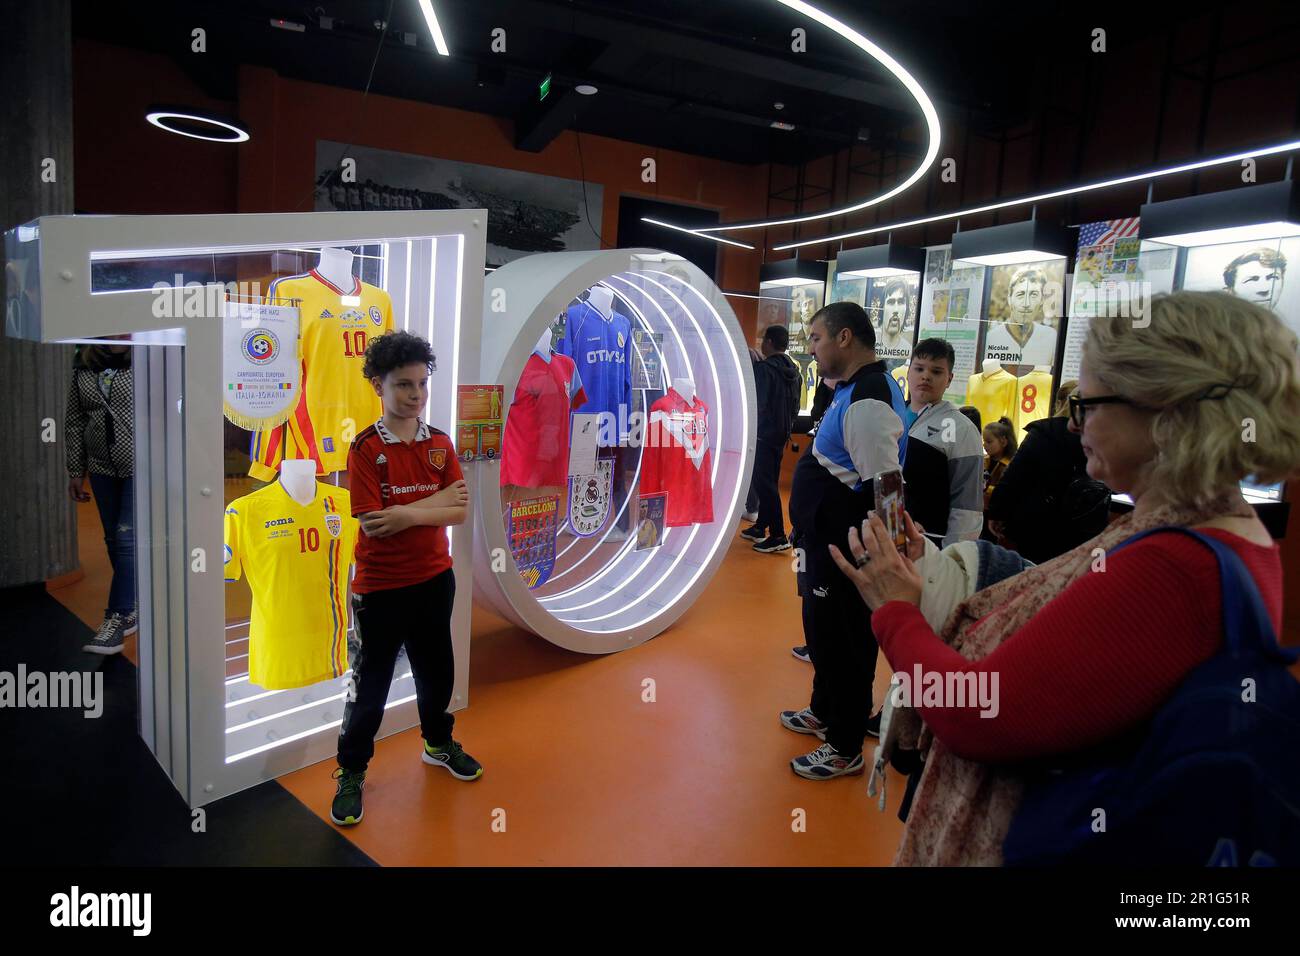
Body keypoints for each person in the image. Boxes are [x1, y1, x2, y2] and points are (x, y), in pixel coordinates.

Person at [829, 290, 1300, 864]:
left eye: (1089, 405)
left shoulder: (1172, 567)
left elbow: (978, 713)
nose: (1077, 428)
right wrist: (929, 567)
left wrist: (896, 610)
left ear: (1164, 412)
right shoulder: (1218, 530)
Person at [330, 331, 479, 827]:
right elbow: (374, 521)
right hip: (380, 588)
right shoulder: (365, 449)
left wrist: (406, 513)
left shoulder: (440, 442)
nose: (415, 394)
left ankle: (437, 743)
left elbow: (459, 510)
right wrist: (428, 508)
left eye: (421, 384)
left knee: (437, 673)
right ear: (378, 385)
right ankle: (351, 770)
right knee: (369, 686)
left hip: (435, 580)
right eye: (403, 385)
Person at [781, 301, 907, 779]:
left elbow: (887, 486)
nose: (811, 349)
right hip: (827, 541)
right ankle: (825, 711)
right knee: (824, 635)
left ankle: (845, 744)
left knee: (844, 642)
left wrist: (888, 557)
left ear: (844, 338)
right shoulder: (853, 389)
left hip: (846, 549)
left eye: (815, 339)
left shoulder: (869, 398)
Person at [986, 378, 1109, 562]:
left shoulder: (1044, 433)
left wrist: (997, 513)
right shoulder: (1103, 438)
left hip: (1039, 526)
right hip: (1084, 530)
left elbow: (1013, 478)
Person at [66, 337, 137, 654]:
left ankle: (117, 618)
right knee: (112, 539)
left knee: (126, 540)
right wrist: (75, 470)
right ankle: (133, 604)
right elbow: (75, 419)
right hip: (102, 467)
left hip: (142, 466)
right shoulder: (85, 361)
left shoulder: (148, 360)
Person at [901, 338, 985, 546]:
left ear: (949, 379)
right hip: (885, 541)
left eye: (936, 372)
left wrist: (954, 559)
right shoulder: (890, 416)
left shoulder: (961, 429)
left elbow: (967, 506)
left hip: (929, 547)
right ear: (909, 371)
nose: (926, 376)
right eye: (919, 368)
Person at [742, 325, 801, 553]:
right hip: (780, 435)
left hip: (763, 435)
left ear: (768, 342)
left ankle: (777, 534)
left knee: (764, 484)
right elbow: (795, 407)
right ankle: (761, 526)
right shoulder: (793, 370)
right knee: (768, 481)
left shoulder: (764, 370)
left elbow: (758, 404)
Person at [981, 416, 1018, 510]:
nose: (984, 445)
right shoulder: (983, 461)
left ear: (1003, 442)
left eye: (989, 442)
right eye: (984, 441)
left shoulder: (1010, 466)